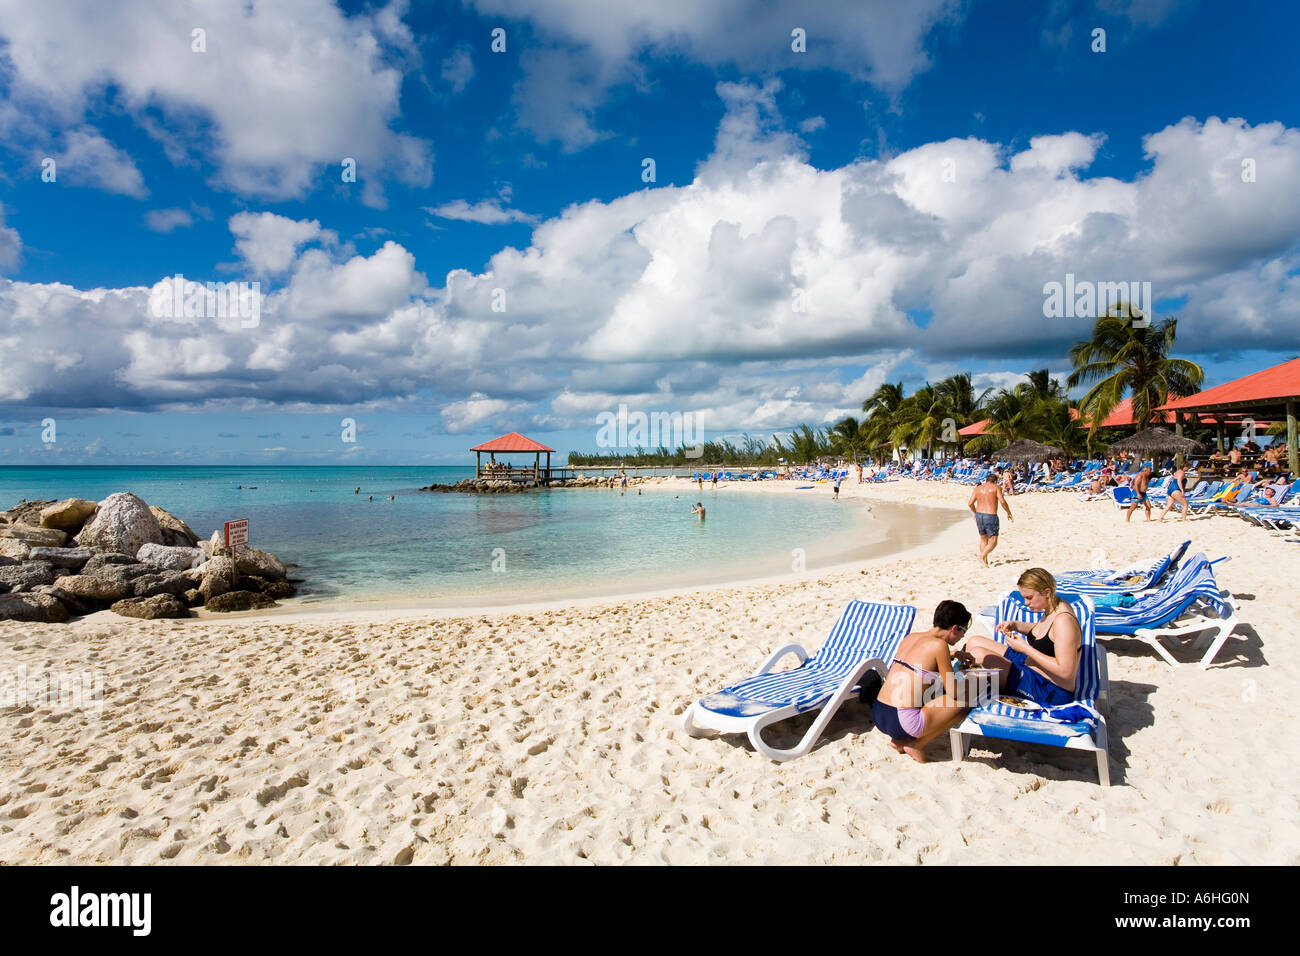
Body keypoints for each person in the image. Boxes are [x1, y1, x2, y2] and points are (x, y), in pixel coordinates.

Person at [872, 600, 975, 763]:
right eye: (963, 631)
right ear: (955, 628)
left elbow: (919, 660)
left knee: (926, 691)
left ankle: (898, 741)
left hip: (879, 712)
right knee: (968, 699)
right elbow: (954, 692)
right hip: (902, 720)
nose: (963, 636)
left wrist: (954, 654)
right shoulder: (940, 646)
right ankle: (917, 744)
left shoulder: (911, 637)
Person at [964, 568, 1081, 706]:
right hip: (1030, 666)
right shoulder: (1054, 606)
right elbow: (1044, 633)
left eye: (1029, 598)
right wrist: (1016, 626)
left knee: (978, 654)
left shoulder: (1063, 621)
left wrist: (1025, 649)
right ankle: (964, 684)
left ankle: (960, 694)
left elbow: (1065, 671)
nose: (1026, 603)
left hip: (1048, 689)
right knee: (974, 641)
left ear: (1047, 592)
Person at [968, 471, 1013, 566]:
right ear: (995, 481)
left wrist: (975, 512)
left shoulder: (977, 489)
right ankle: (981, 556)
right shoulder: (996, 487)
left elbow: (970, 503)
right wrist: (1008, 512)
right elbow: (1002, 501)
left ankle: (984, 562)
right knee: (993, 541)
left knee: (983, 539)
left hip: (979, 515)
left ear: (986, 480)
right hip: (990, 515)